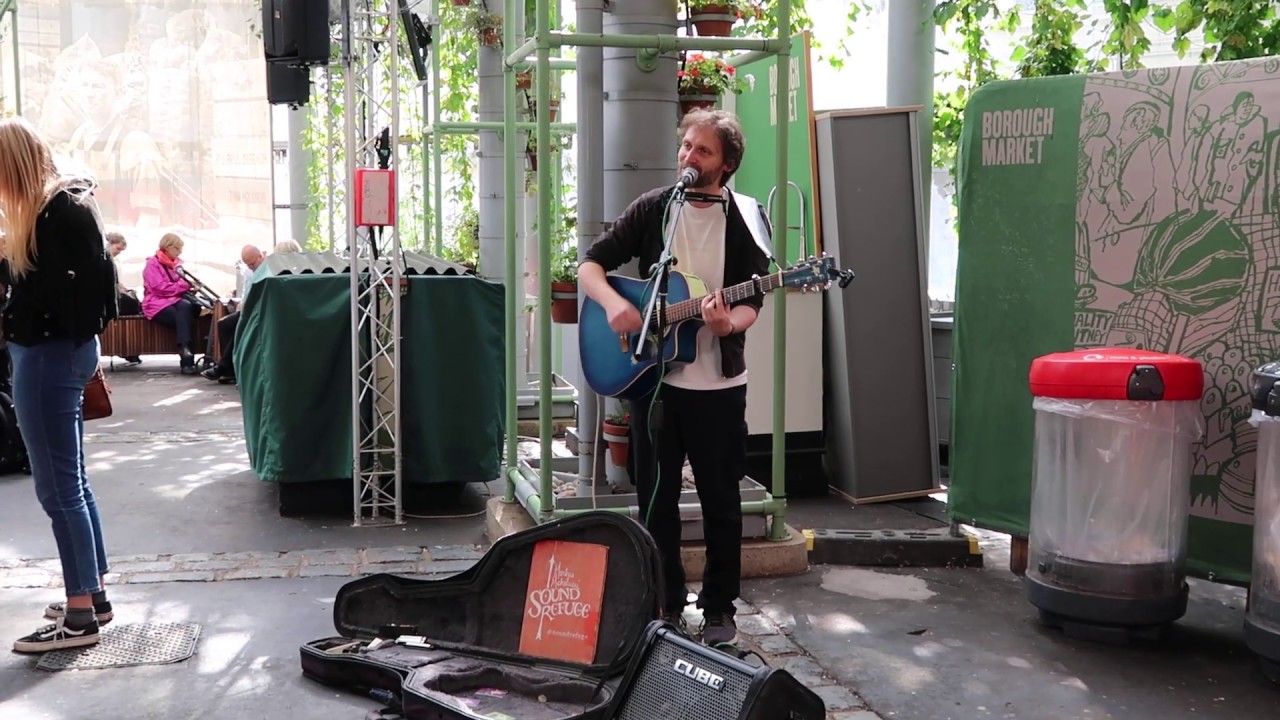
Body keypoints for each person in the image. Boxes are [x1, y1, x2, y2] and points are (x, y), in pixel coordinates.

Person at [578, 109, 772, 646]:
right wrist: (614, 304)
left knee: (721, 502)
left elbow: (753, 298)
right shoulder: (655, 208)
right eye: (686, 145)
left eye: (702, 150)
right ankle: (665, 602)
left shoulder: (748, 217)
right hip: (655, 383)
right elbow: (590, 265)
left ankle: (719, 609)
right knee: (655, 500)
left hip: (719, 388)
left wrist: (727, 323)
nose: (689, 156)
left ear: (727, 164)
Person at [0, 117, 119, 652]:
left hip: (47, 357)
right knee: (73, 483)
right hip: (65, 353)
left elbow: (49, 295)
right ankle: (92, 595)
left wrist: (10, 265)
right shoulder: (69, 203)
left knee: (58, 489)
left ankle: (79, 615)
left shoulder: (52, 214)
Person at [202, 243, 268, 384]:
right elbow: (246, 292)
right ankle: (229, 369)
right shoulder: (250, 271)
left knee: (239, 325)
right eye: (247, 265)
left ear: (260, 256)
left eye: (252, 263)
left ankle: (224, 367)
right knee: (224, 323)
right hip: (249, 309)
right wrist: (242, 303)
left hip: (260, 311)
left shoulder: (267, 270)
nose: (250, 267)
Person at [141, 232, 198, 374]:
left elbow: (179, 283)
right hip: (155, 304)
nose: (180, 252)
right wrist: (184, 286)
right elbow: (159, 288)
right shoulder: (152, 264)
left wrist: (186, 286)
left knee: (185, 307)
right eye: (177, 248)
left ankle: (185, 350)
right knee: (183, 316)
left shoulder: (176, 264)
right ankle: (186, 354)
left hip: (173, 300)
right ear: (167, 247)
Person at [104, 232, 142, 365]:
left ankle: (130, 350)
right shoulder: (104, 260)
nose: (118, 252)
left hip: (112, 295)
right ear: (110, 243)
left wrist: (124, 289)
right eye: (118, 249)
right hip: (107, 298)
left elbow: (115, 281)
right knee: (132, 305)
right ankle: (128, 350)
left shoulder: (109, 260)